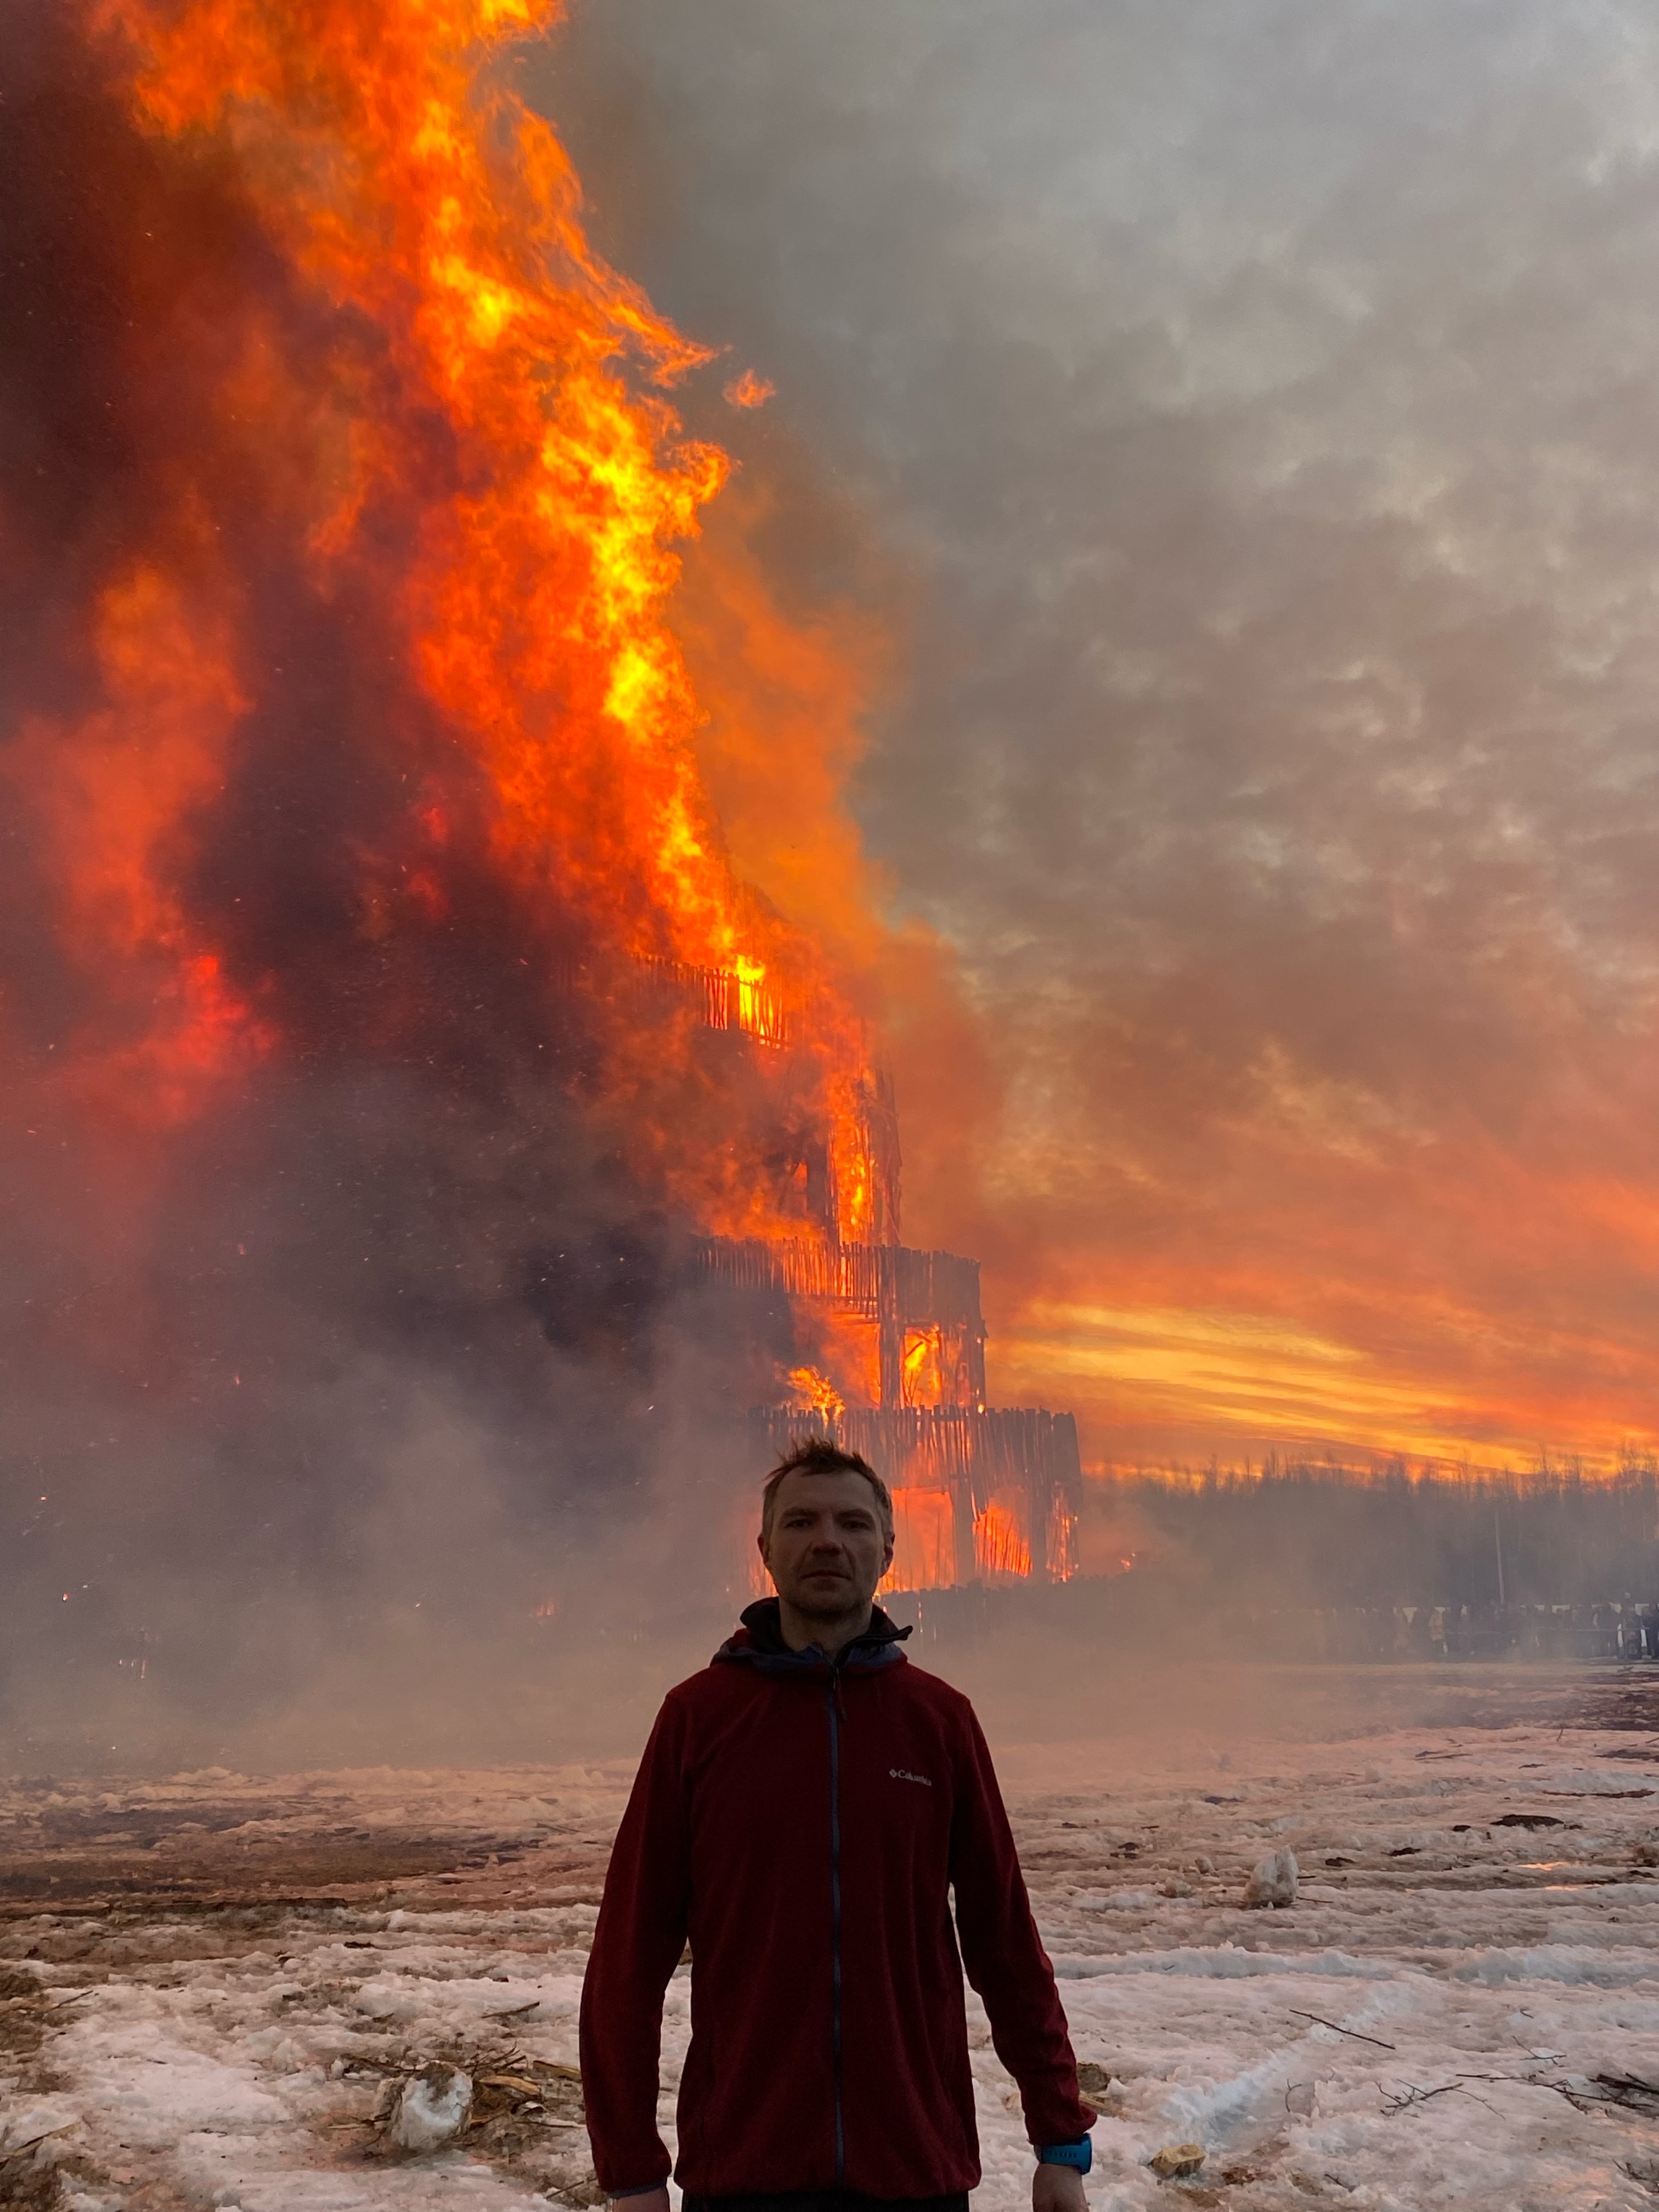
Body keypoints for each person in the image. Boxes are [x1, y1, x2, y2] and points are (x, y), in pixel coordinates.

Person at [579, 1438, 1096, 2212]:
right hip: (745, 2175)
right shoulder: (699, 1719)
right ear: (764, 1549)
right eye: (801, 1523)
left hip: (916, 2172)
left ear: (888, 1549)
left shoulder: (939, 1722)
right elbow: (629, 1958)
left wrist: (1059, 2137)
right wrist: (631, 2171)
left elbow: (1005, 1941)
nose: (827, 1541)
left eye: (853, 1524)